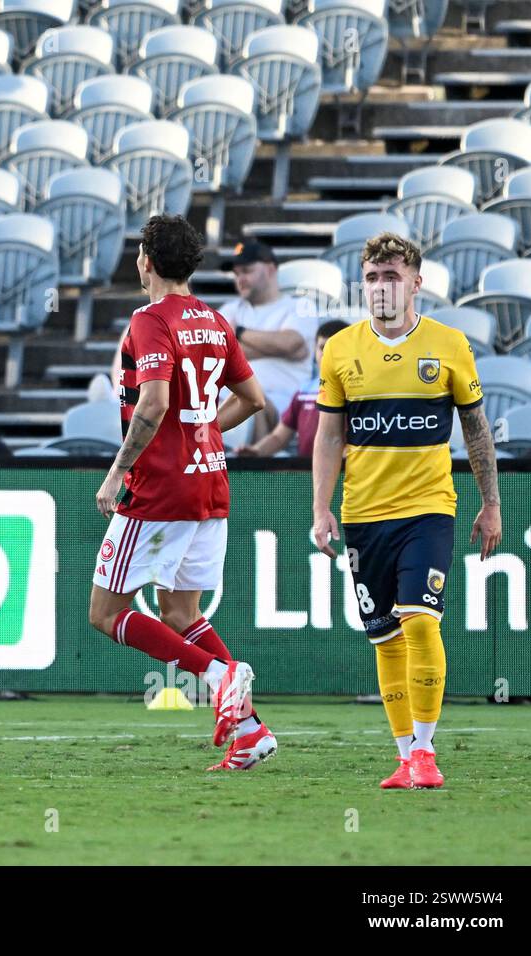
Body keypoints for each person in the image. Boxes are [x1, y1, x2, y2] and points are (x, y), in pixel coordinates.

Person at [312, 232, 501, 791]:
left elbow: (476, 428)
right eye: (372, 277)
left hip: (428, 509)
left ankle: (425, 750)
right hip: (363, 514)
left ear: (416, 283)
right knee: (385, 636)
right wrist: (322, 508)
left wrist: (490, 503)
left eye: (391, 276)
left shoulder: (448, 345)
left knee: (420, 619)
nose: (380, 287)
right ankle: (404, 757)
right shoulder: (341, 348)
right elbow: (329, 434)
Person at [90, 214, 273, 772]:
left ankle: (219, 677)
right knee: (179, 610)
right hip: (209, 483)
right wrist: (207, 432)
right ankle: (250, 729)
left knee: (104, 611)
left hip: (159, 488)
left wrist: (118, 470)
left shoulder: (150, 320)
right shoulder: (215, 321)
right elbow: (254, 398)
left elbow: (153, 403)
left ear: (146, 260)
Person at [216, 240, 318, 442]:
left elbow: (290, 343)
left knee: (254, 404)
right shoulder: (230, 309)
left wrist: (239, 332)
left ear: (271, 269)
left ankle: (257, 470)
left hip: (284, 402)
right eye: (236, 274)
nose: (240, 279)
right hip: (227, 399)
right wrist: (276, 348)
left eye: (246, 270)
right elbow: (214, 352)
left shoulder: (299, 305)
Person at [235, 319, 348, 458]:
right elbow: (279, 437)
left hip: (347, 475)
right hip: (305, 476)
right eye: (322, 347)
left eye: (334, 348)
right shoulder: (303, 392)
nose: (326, 354)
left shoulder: (360, 394)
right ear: (314, 349)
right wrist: (257, 451)